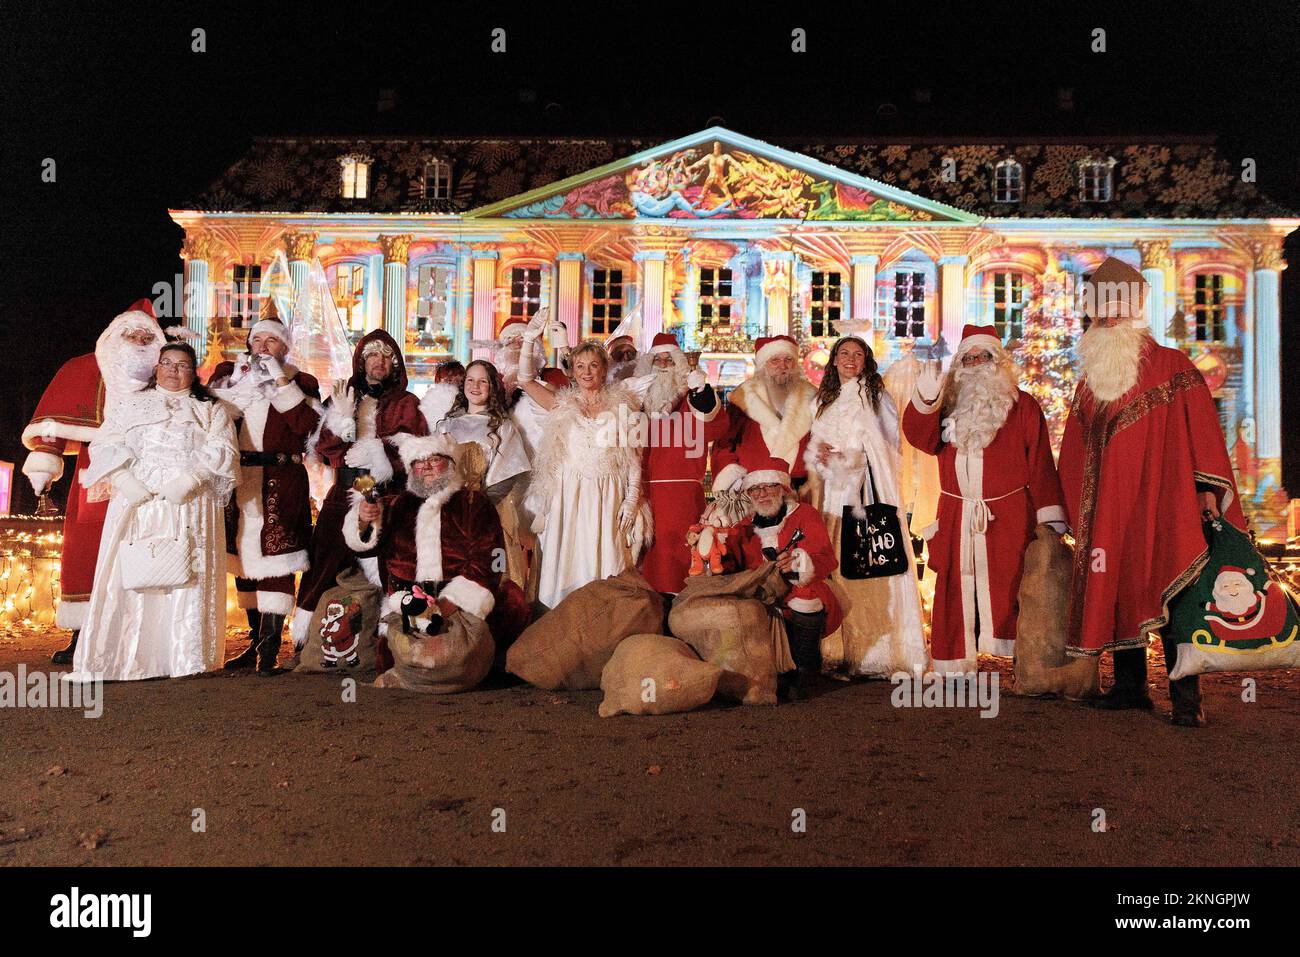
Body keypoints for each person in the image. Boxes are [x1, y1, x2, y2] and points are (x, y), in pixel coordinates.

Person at [1059, 256, 1246, 726]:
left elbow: (1202, 431)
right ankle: (1130, 688)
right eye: (1101, 311)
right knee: (1120, 586)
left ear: (1135, 310)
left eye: (1117, 309)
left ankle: (1187, 698)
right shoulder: (1089, 384)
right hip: (1108, 512)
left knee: (1175, 592)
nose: (1108, 317)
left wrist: (1206, 489)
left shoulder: (1173, 366)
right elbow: (1074, 449)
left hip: (1166, 504)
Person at [63, 342, 239, 682]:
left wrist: (191, 479)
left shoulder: (210, 409)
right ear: (156, 367)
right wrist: (125, 481)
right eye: (167, 363)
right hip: (138, 502)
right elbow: (105, 445)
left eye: (182, 364)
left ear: (194, 371)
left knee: (186, 570)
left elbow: (224, 451)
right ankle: (123, 657)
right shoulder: (130, 406)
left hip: (190, 503)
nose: (174, 370)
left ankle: (185, 657)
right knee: (133, 571)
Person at [903, 324, 1067, 674]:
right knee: (953, 587)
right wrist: (927, 399)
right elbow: (920, 438)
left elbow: (1040, 463)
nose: (976, 363)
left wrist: (1048, 519)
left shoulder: (1023, 406)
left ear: (999, 361)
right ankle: (954, 666)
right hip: (957, 514)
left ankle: (1029, 663)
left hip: (1009, 517)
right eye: (969, 357)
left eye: (984, 356)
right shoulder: (946, 406)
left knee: (1016, 587)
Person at [22, 299, 163, 663]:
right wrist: (45, 459)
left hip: (149, 478)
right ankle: (82, 634)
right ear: (115, 335)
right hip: (97, 478)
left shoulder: (166, 376)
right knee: (88, 552)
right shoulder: (86, 369)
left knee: (141, 554)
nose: (137, 339)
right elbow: (55, 424)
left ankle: (136, 636)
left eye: (145, 336)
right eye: (130, 333)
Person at [291, 330, 426, 652]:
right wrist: (339, 420)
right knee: (323, 560)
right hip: (345, 490)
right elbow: (323, 450)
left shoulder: (407, 403)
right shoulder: (344, 394)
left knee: (392, 567)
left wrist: (383, 455)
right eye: (372, 356)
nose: (379, 363)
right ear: (362, 361)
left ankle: (389, 644)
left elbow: (418, 451)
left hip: (389, 494)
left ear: (394, 364)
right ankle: (304, 642)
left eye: (386, 357)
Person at [805, 335, 929, 677]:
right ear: (833, 360)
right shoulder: (822, 401)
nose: (850, 359)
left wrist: (852, 458)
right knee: (838, 570)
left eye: (857, 354)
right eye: (844, 353)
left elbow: (889, 447)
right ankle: (838, 649)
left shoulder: (876, 398)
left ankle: (876, 653)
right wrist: (821, 456)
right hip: (831, 497)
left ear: (866, 361)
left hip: (865, 495)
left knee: (870, 569)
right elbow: (814, 445)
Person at [207, 305, 321, 674]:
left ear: (284, 347)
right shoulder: (230, 376)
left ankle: (270, 650)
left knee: (277, 558)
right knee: (242, 558)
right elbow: (209, 417)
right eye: (258, 339)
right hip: (240, 478)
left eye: (272, 340)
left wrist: (278, 384)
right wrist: (238, 388)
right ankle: (254, 642)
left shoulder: (300, 381)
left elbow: (305, 424)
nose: (263, 346)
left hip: (281, 477)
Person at [343, 432, 510, 675]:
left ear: (450, 463)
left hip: (458, 606)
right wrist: (363, 518)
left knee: (464, 661)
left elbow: (490, 562)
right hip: (405, 606)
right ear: (411, 470)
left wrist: (445, 605)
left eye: (434, 459)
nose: (427, 467)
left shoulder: (474, 504)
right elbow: (367, 545)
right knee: (392, 661)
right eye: (419, 462)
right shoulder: (396, 506)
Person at [517, 314, 647, 610]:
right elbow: (524, 380)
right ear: (572, 373)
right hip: (570, 494)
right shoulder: (561, 403)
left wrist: (630, 499)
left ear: (604, 370)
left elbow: (633, 459)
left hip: (608, 495)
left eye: (593, 365)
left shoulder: (622, 405)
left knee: (606, 560)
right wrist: (528, 340)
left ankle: (603, 626)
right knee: (570, 559)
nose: (587, 372)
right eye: (580, 366)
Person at [730, 460, 841, 700]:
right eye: (755, 489)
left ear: (782, 488)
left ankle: (803, 671)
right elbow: (731, 565)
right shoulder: (743, 526)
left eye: (769, 486)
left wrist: (800, 562)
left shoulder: (805, 515)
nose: (762, 494)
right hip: (761, 596)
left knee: (806, 599)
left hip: (798, 591)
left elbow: (827, 560)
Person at [633, 332, 729, 597]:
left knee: (681, 565)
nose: (663, 365)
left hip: (682, 499)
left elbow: (717, 427)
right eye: (657, 360)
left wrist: (702, 393)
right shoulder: (635, 402)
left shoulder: (692, 400)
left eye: (669, 360)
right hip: (641, 496)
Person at [712, 334, 817, 497]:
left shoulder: (813, 398)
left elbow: (824, 441)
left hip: (800, 495)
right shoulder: (743, 399)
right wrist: (734, 481)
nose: (783, 366)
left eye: (788, 360)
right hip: (752, 494)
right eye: (775, 360)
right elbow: (724, 445)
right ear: (762, 366)